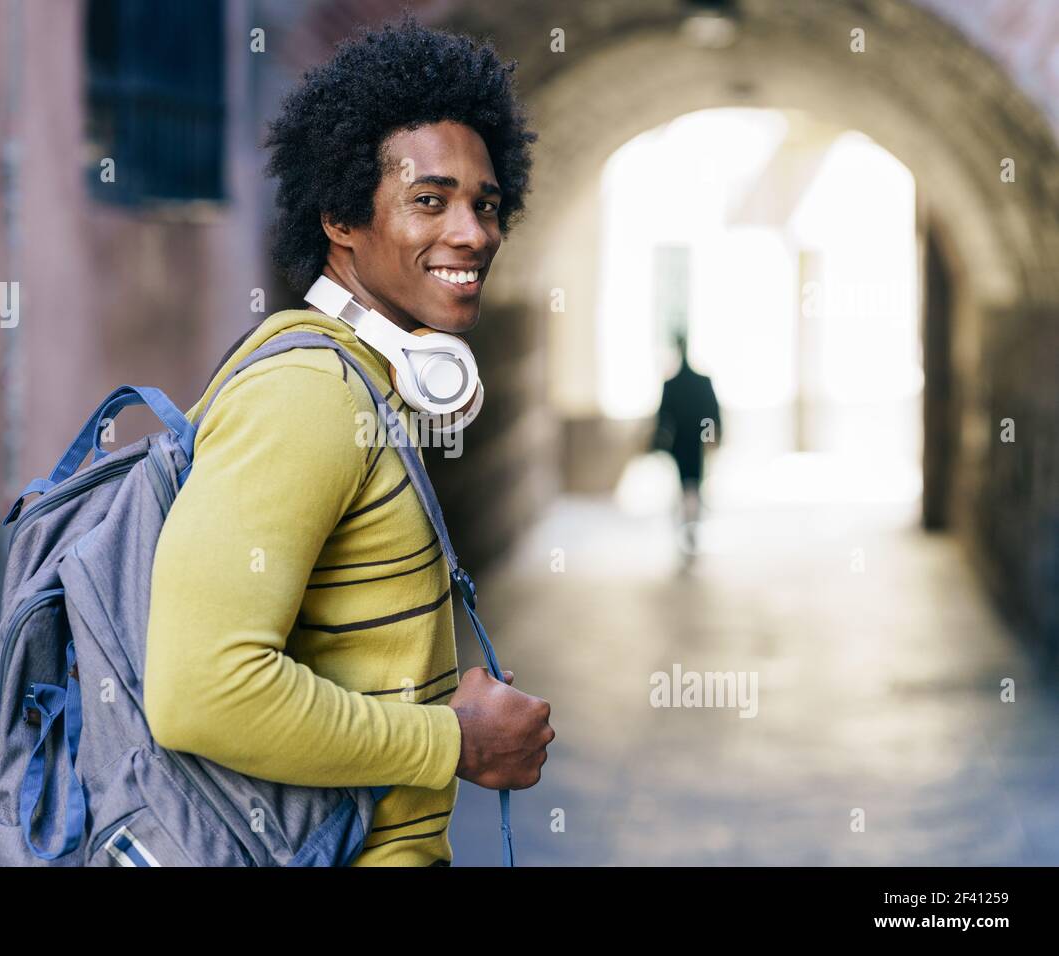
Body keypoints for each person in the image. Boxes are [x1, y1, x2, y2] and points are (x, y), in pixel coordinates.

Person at [143, 14, 553, 866]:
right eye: (428, 201)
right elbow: (201, 691)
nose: (472, 234)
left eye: (485, 204)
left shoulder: (364, 383)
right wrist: (455, 742)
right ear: (340, 216)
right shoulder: (308, 397)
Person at [652, 334, 722, 557]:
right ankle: (690, 526)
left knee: (687, 485)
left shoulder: (672, 384)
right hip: (694, 442)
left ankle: (689, 526)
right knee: (693, 485)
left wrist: (661, 443)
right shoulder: (700, 383)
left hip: (682, 443)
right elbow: (711, 414)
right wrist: (710, 439)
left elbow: (664, 419)